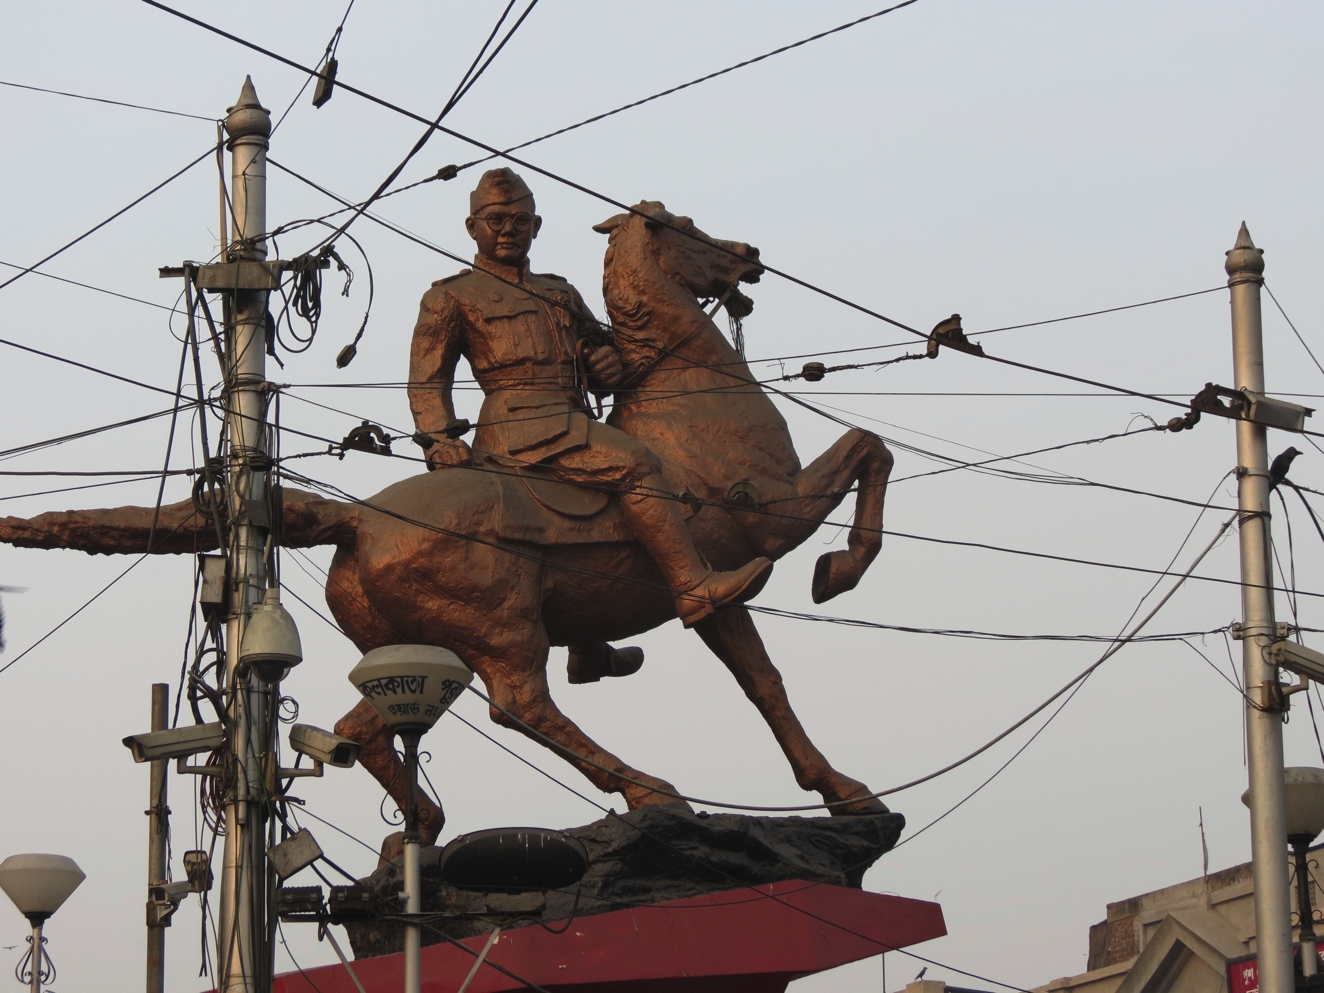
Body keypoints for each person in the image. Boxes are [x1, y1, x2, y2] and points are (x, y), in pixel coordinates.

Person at [408, 167, 772, 629]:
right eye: (496, 220)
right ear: (472, 227)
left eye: (520, 221)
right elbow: (427, 380)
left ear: (536, 227)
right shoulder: (451, 297)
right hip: (518, 429)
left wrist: (603, 364)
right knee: (636, 464)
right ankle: (692, 585)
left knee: (603, 516)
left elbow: (603, 354)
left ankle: (588, 647)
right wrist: (440, 441)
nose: (508, 232)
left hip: (576, 420)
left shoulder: (560, 292)